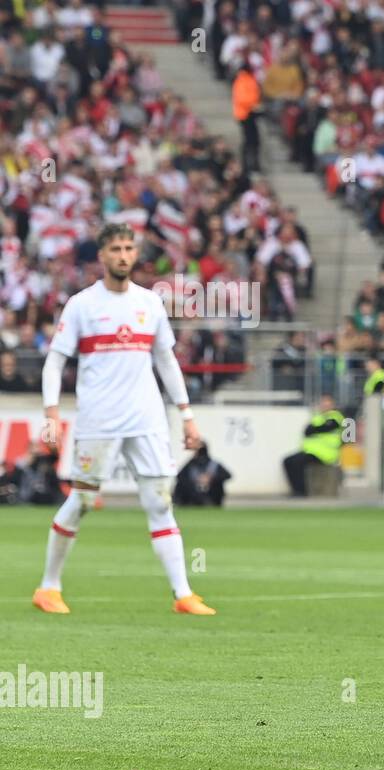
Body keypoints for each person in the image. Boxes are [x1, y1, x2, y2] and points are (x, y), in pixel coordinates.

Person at [32, 223, 215, 616]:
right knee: (81, 500)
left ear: (135, 254)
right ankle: (49, 587)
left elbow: (166, 360)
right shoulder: (83, 304)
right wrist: (51, 413)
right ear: (102, 255)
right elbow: (55, 361)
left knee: (160, 502)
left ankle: (183, 594)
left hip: (147, 418)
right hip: (99, 419)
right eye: (115, 248)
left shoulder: (149, 303)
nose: (123, 255)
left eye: (129, 248)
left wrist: (187, 416)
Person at [282, 395, 346, 496]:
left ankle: (301, 491)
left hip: (326, 454)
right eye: (323, 403)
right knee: (288, 461)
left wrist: (315, 429)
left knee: (297, 462)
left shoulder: (336, 417)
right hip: (311, 452)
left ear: (332, 405)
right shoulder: (317, 417)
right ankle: (296, 490)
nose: (324, 406)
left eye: (327, 404)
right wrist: (316, 429)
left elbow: (324, 427)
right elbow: (308, 431)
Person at [174, 442, 232, 506]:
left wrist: (211, 478)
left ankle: (210, 503)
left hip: (211, 495)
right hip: (194, 494)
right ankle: (181, 503)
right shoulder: (191, 464)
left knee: (219, 484)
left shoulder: (213, 464)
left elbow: (228, 475)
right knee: (180, 483)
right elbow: (179, 476)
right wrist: (196, 480)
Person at [232, 60, 262, 174]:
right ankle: (247, 164)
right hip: (245, 114)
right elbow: (242, 98)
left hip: (250, 113)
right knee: (249, 141)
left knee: (254, 141)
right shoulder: (242, 80)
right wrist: (254, 104)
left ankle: (254, 164)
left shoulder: (248, 79)